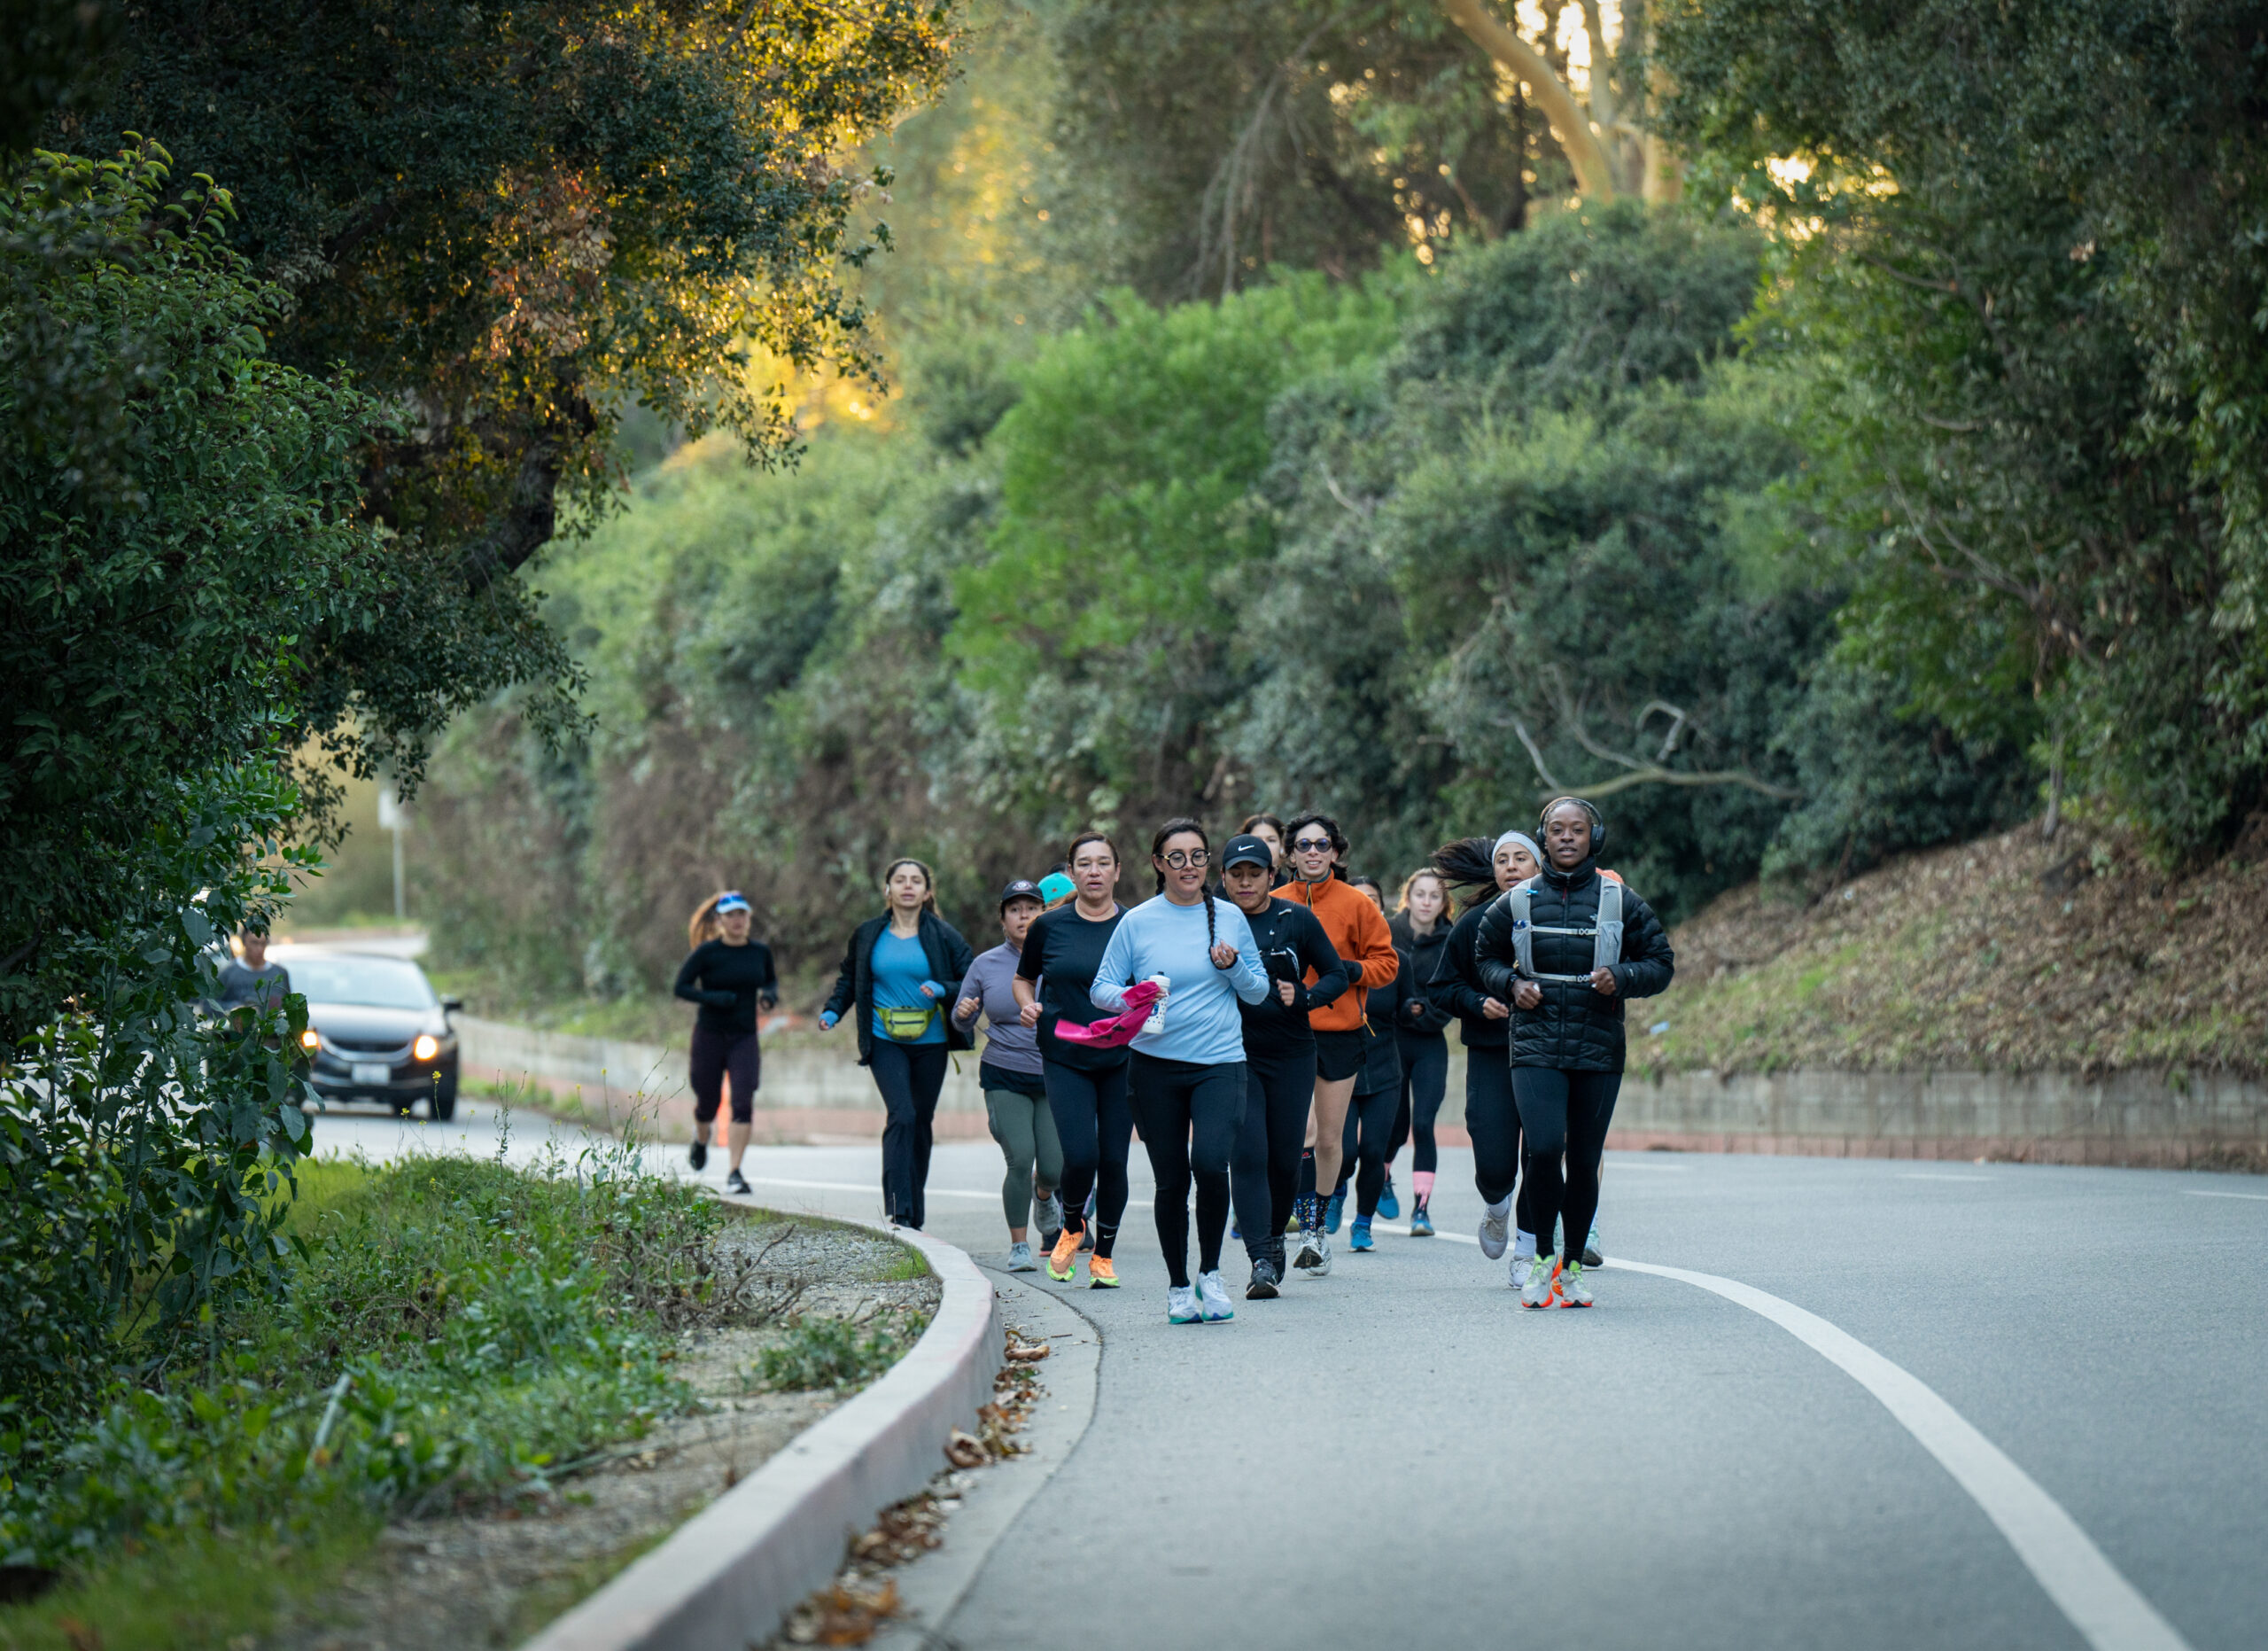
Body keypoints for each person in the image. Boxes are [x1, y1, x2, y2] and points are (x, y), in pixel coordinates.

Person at [1473, 798, 1674, 1307]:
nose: (1567, 838)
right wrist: (1512, 984)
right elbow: (1484, 955)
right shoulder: (1518, 900)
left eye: (1577, 830)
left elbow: (1661, 962)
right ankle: (1543, 1257)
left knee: (1584, 1162)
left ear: (1593, 837)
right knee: (1543, 1150)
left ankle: (1575, 1267)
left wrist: (1622, 978)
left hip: (1597, 1046)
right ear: (1545, 838)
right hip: (1535, 1043)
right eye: (1557, 830)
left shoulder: (1618, 899)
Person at [1089, 819, 1270, 1325]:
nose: (1188, 866)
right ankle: (1176, 1287)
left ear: (1207, 863)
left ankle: (1210, 1274)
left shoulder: (1230, 917)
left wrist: (1233, 967)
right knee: (1171, 1182)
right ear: (1157, 864)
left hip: (1219, 1064)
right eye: (1176, 857)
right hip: (1154, 1068)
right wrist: (1136, 994)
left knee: (1211, 1165)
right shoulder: (1139, 922)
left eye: (1196, 856)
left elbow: (1257, 992)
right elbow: (1100, 988)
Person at [1219, 833, 1346, 1298]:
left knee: (1285, 1155)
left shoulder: (1296, 918)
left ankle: (1274, 1234)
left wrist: (1307, 997)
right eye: (1237, 874)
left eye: (1256, 873)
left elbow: (1336, 973)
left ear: (1273, 876)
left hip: (1293, 1051)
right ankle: (1261, 1258)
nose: (1246, 882)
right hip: (1233, 1052)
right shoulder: (1212, 921)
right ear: (1225, 878)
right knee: (1248, 1152)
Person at [820, 858, 975, 1230]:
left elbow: (971, 976)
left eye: (916, 881)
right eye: (900, 880)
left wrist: (944, 989)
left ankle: (913, 1211)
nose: (908, 886)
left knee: (921, 1122)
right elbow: (849, 978)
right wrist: (832, 1011)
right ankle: (898, 1208)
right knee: (902, 1114)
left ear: (927, 891)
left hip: (932, 1041)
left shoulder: (942, 934)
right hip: (884, 1038)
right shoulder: (868, 934)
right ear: (887, 890)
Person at [1277, 812, 1399, 1276]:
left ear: (1336, 852)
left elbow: (1387, 963)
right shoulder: (1273, 902)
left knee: (1329, 1140)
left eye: (1321, 845)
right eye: (1303, 845)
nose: (1312, 853)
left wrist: (1351, 971)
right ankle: (1301, 1225)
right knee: (1302, 1133)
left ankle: (1317, 1233)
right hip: (1285, 1032)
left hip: (1341, 1033)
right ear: (1290, 854)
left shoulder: (1356, 904)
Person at [1015, 832, 1133, 1287]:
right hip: (1065, 1054)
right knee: (1080, 1156)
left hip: (1122, 1057)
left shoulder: (1136, 924)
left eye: (1104, 863)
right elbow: (1024, 979)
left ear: (1117, 871)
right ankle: (1070, 1224)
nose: (1095, 872)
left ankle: (1103, 1255)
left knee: (1115, 1160)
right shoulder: (1048, 925)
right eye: (1084, 864)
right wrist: (1027, 1003)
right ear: (1072, 873)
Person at [1425, 832, 1542, 1272]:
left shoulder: (1560, 917)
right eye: (1503, 860)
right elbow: (1442, 987)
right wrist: (1478, 1003)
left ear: (1540, 866)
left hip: (1546, 1054)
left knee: (1542, 1154)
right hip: (1491, 1053)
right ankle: (1497, 1206)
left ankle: (1529, 1250)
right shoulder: (1474, 923)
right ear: (1493, 871)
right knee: (1494, 1162)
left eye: (1521, 858)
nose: (1511, 867)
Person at [953, 880, 1064, 1272]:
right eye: (1015, 909)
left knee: (1053, 1165)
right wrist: (964, 1013)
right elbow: (960, 1016)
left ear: (1043, 914)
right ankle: (1019, 1245)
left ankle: (1045, 1194)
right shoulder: (985, 964)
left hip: (1054, 1070)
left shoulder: (1058, 955)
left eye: (1031, 908)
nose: (1024, 916)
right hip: (1004, 1071)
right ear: (1003, 919)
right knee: (1020, 1157)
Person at [674, 892, 781, 1194]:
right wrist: (712, 998)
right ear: (720, 920)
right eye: (731, 915)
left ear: (748, 918)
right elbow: (680, 987)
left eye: (742, 914)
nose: (737, 920)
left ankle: (735, 1171)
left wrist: (769, 996)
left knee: (743, 1101)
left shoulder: (760, 952)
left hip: (744, 1036)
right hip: (709, 1035)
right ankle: (701, 1137)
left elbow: (770, 980)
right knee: (707, 1102)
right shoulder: (707, 953)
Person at [1332, 876, 1412, 1253]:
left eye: (1373, 902)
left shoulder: (1398, 960)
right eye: (1358, 901)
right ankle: (1334, 1190)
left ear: (1381, 910)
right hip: (1340, 1067)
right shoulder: (1330, 958)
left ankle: (1362, 1224)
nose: (1366, 907)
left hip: (1384, 1069)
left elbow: (1409, 1010)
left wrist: (1417, 1010)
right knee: (1343, 1151)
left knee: (1373, 1153)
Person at [1389, 868, 1457, 1234]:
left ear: (1443, 902)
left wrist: (1426, 1014)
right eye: (1420, 894)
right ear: (1409, 898)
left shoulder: (1451, 939)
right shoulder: (1389, 931)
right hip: (1394, 1042)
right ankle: (1381, 1177)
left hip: (1431, 1042)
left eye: (1435, 896)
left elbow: (1452, 990)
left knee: (1424, 1124)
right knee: (1395, 1129)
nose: (1427, 902)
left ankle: (1421, 1210)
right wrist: (1404, 1010)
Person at [215, 923, 291, 1016]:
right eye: (254, 943)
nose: (259, 949)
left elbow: (288, 1006)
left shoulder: (280, 973)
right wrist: (236, 1008)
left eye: (263, 943)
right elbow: (210, 1006)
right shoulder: (229, 974)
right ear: (244, 942)